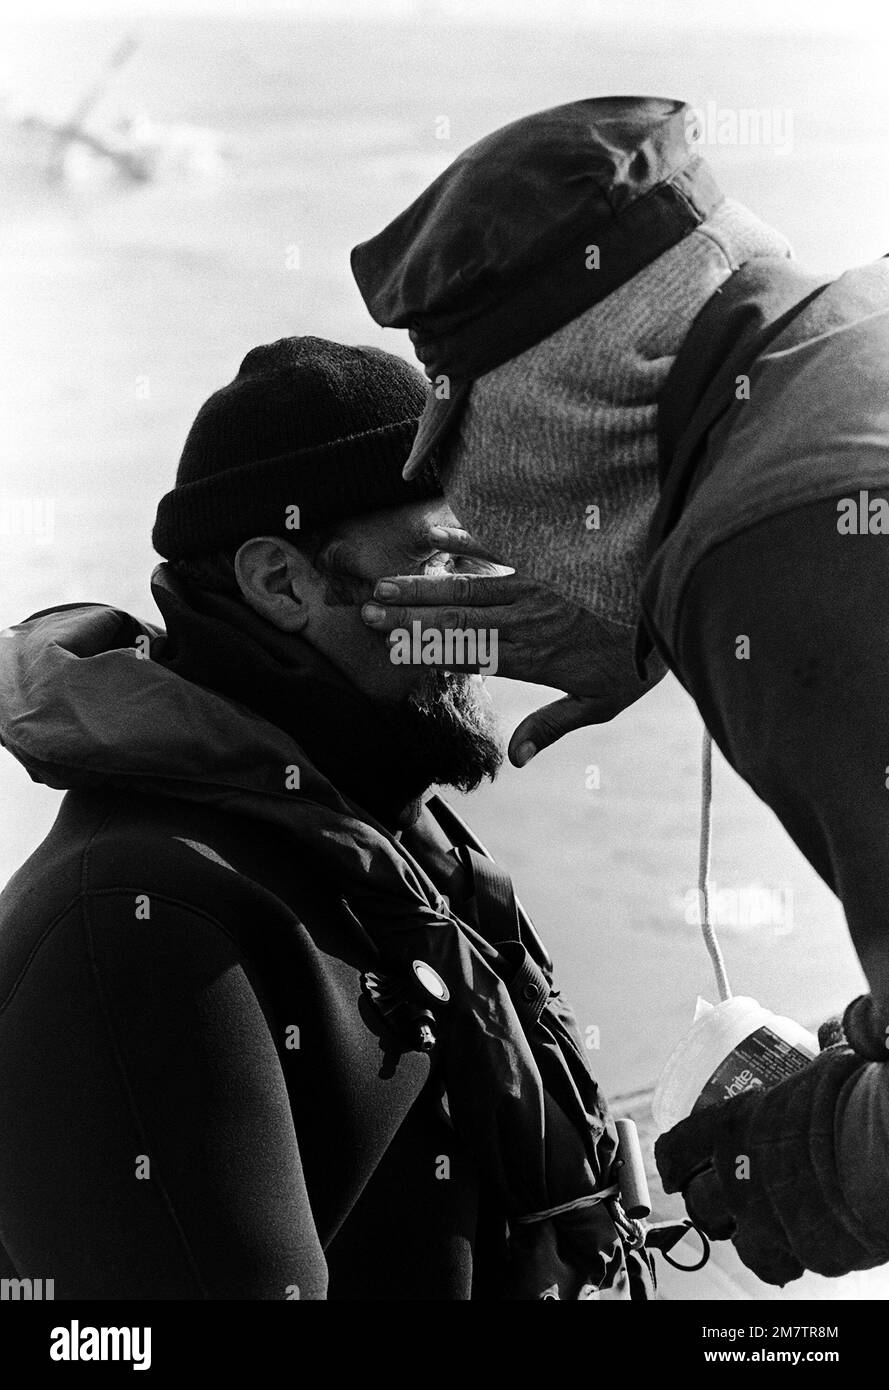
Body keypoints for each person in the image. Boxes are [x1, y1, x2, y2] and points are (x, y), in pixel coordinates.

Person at [351, 95, 889, 1286]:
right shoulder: (854, 334)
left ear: (561, 389)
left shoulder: (766, 546)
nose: (458, 489)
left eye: (459, 407)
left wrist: (807, 1162)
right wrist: (659, 601)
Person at [0, 336, 648, 1300]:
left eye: (497, 557)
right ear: (281, 581)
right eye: (443, 558)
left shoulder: (376, 844)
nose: (489, 611)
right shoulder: (138, 927)